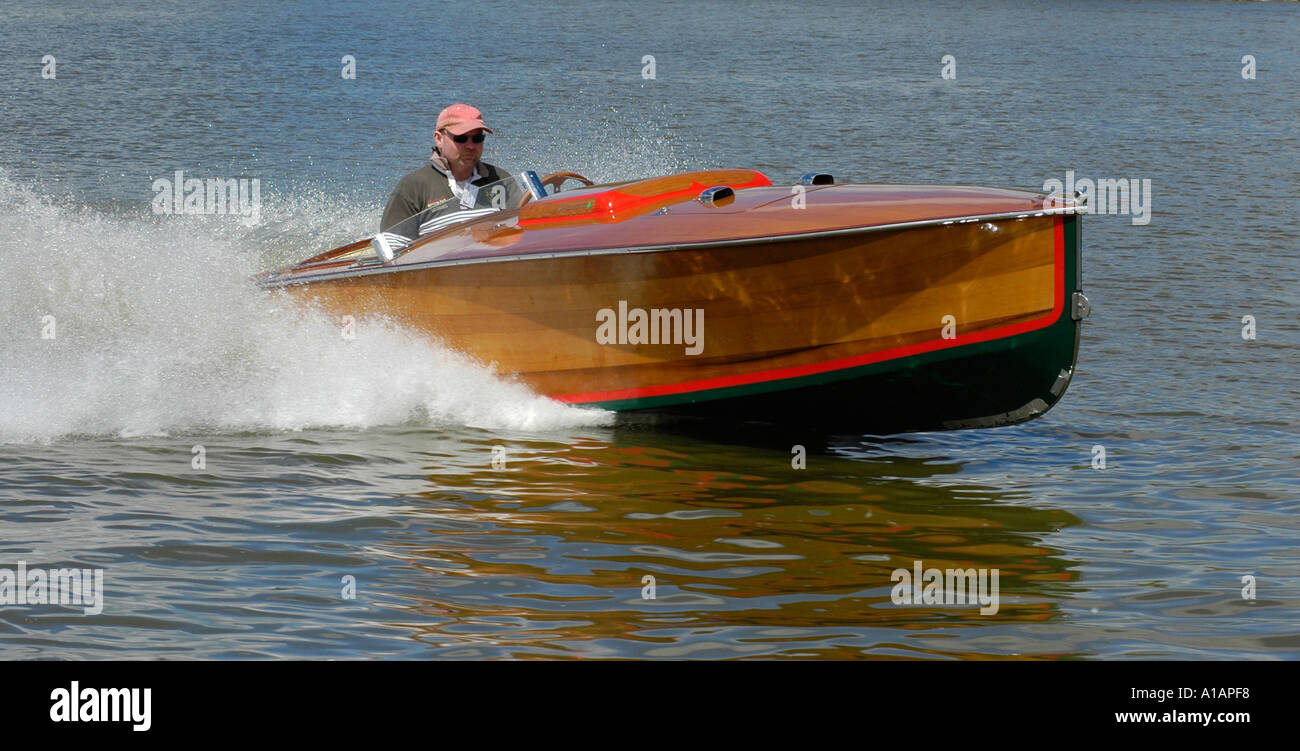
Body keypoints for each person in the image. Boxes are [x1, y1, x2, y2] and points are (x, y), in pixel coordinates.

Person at [379, 103, 512, 235]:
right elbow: (393, 247)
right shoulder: (412, 186)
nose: (470, 146)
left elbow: (523, 231)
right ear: (439, 139)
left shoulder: (502, 179)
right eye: (461, 138)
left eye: (477, 138)